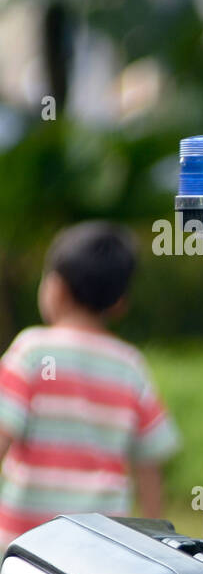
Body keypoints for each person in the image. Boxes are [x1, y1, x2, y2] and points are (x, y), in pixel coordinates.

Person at [0, 222, 180, 550]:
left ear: (55, 287)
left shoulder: (32, 351)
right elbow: (149, 465)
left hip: (27, 549)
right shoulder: (130, 365)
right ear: (120, 302)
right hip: (100, 554)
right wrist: (159, 545)